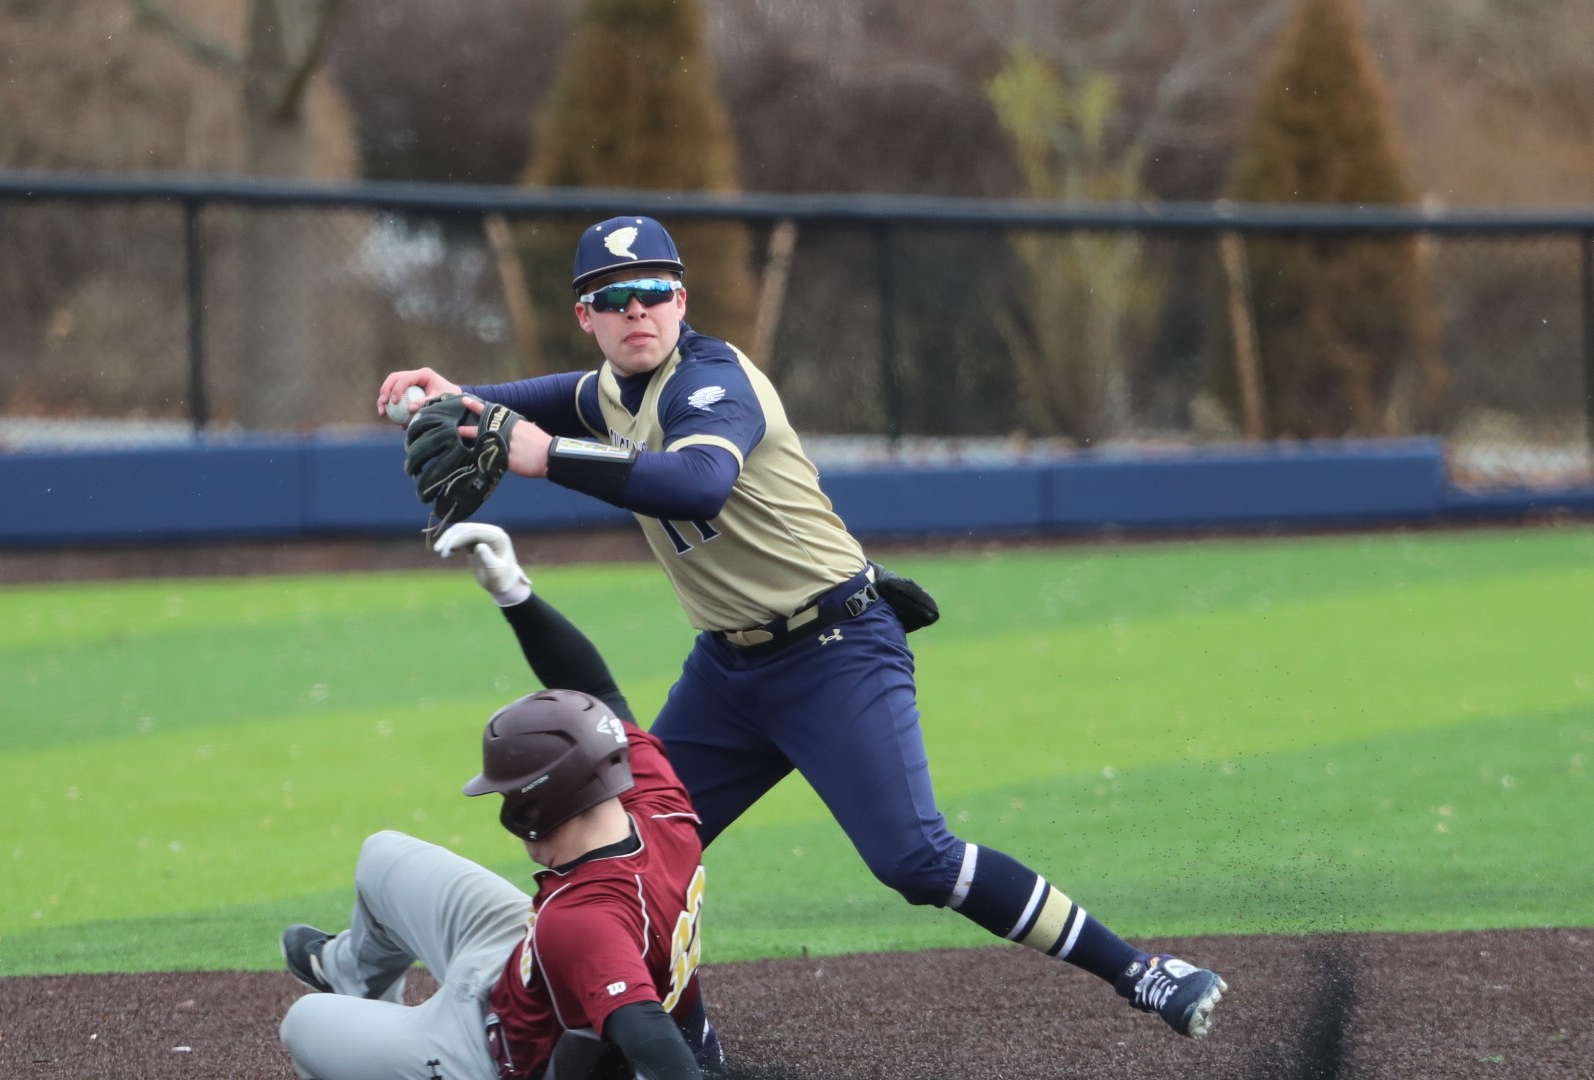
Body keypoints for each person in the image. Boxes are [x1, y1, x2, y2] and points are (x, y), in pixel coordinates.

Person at [376, 216, 1228, 1040]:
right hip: (728, 675)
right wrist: (450, 394)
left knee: (915, 863)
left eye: (651, 291)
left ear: (681, 300)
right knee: (626, 849)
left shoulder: (715, 378)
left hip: (835, 651)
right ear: (586, 318)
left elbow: (696, 482)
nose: (635, 310)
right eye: (613, 297)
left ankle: (1145, 972)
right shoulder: (603, 392)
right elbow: (517, 404)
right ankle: (677, 1040)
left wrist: (538, 453)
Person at [275, 576, 727, 1078]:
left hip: (487, 1053)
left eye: (511, 789)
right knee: (381, 856)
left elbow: (649, 1037)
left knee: (304, 1022)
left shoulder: (583, 921)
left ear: (539, 803)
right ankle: (350, 976)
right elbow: (597, 690)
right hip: (517, 960)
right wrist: (513, 590)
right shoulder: (660, 806)